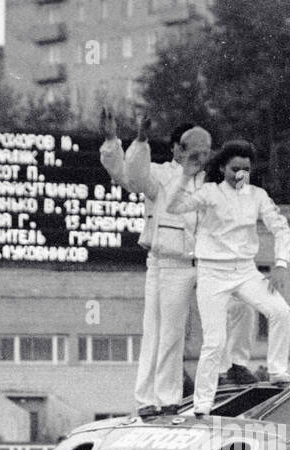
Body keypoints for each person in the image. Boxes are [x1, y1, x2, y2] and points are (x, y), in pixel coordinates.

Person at [100, 114, 255, 417]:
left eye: (204, 149)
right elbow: (129, 174)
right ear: (177, 150)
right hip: (171, 263)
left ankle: (234, 365)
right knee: (167, 333)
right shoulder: (160, 176)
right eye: (192, 148)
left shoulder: (213, 179)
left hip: (209, 263)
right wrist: (135, 141)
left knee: (242, 304)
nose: (199, 155)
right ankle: (162, 399)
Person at [167, 139, 290, 416]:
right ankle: (203, 405)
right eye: (234, 168)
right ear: (223, 167)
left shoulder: (258, 196)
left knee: (281, 312)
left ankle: (277, 371)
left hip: (246, 270)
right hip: (212, 273)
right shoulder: (209, 192)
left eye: (245, 169)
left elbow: (282, 229)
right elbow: (174, 207)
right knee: (214, 341)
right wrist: (185, 176)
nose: (239, 174)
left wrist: (281, 264)